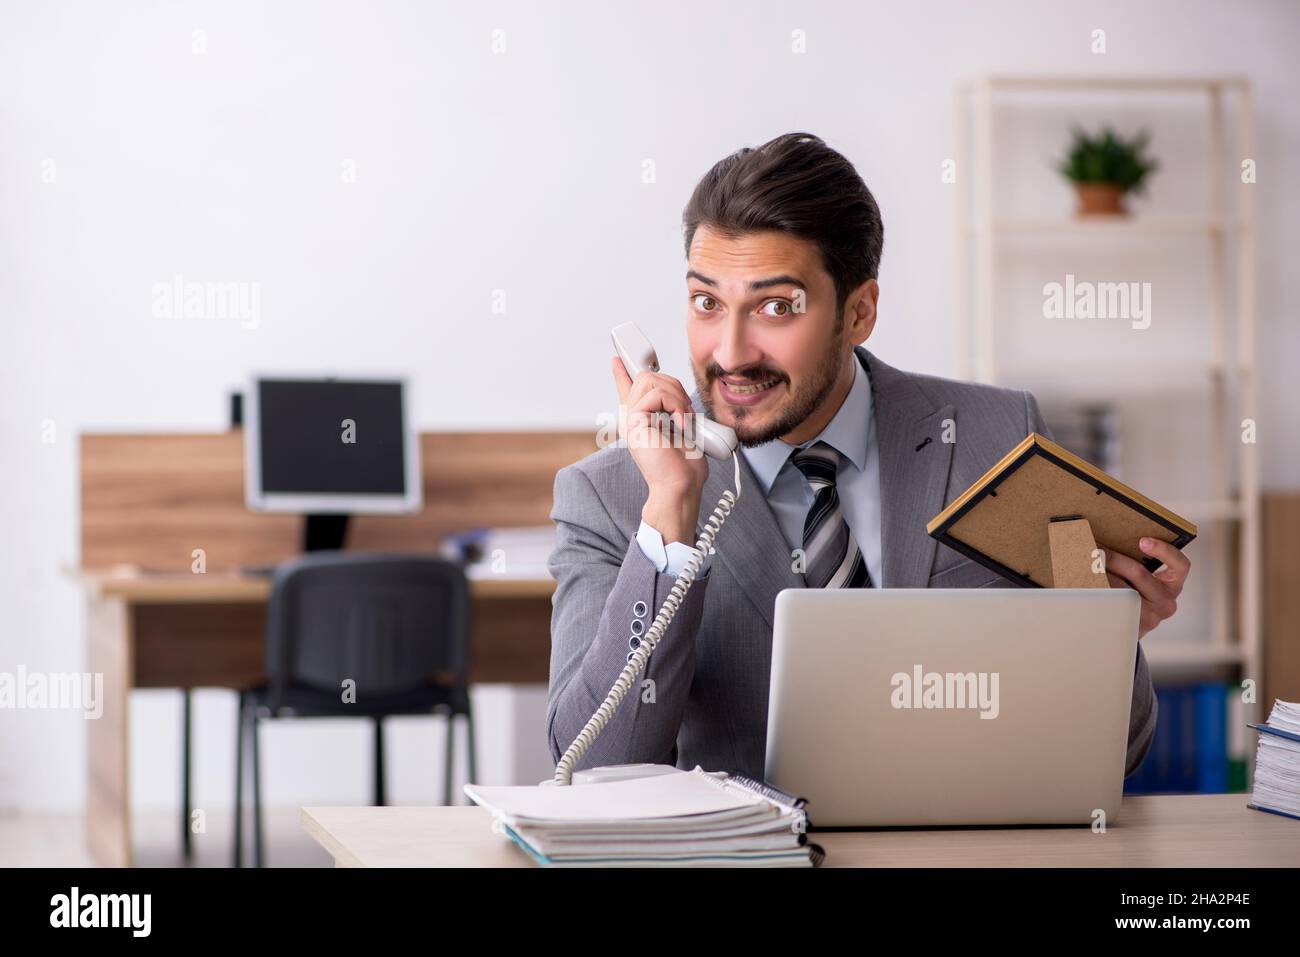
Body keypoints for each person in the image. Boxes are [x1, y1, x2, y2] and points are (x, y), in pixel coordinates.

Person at [546, 132, 1188, 778]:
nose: (732, 352)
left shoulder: (1001, 439)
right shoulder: (612, 498)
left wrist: (1104, 634)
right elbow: (592, 768)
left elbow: (1118, 751)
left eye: (775, 306)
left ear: (860, 312)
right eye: (707, 303)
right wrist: (672, 514)